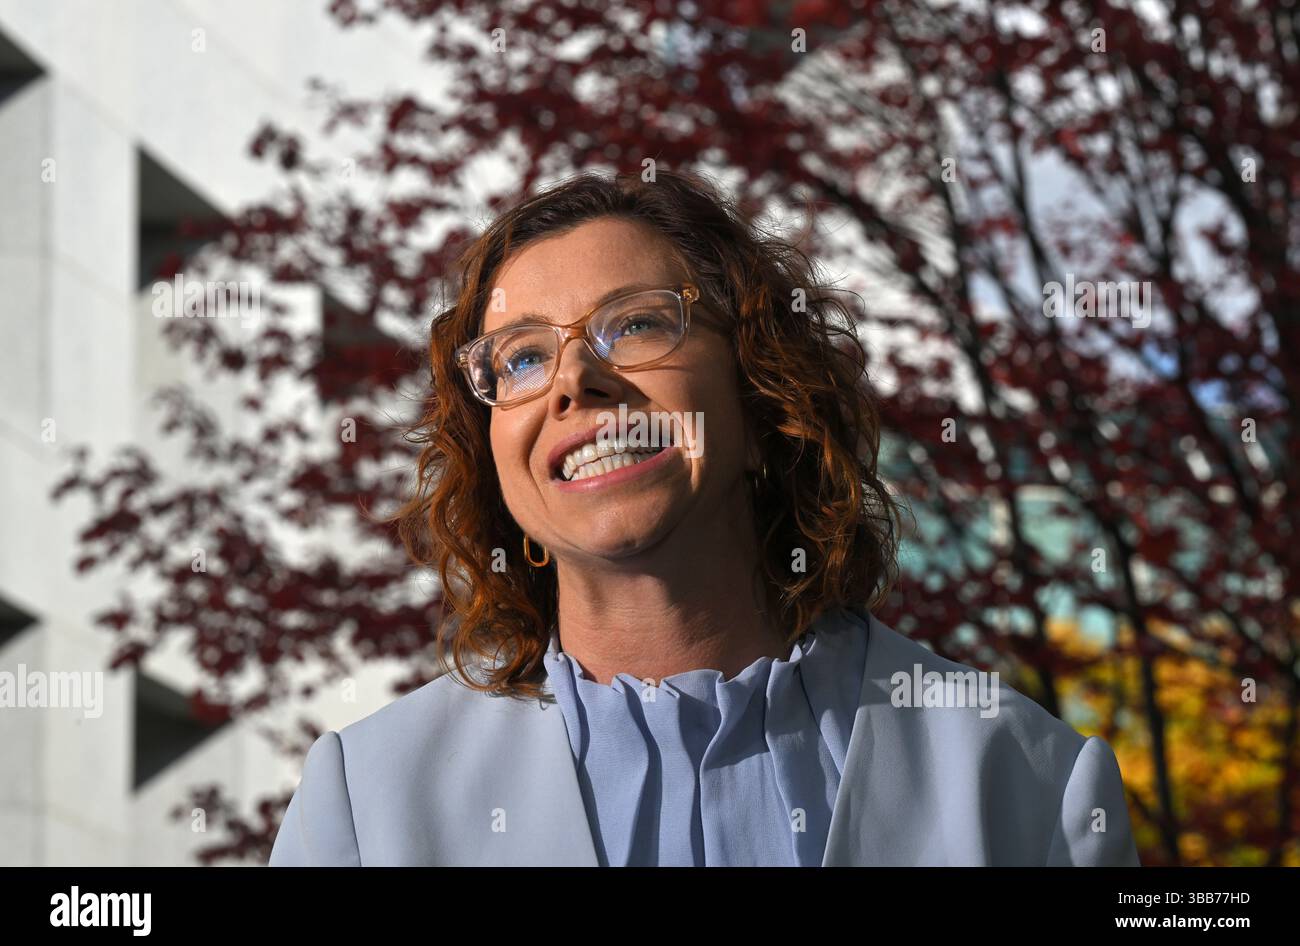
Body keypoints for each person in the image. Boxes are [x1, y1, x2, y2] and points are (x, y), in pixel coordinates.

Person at [268, 170, 1141, 866]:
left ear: (767, 404)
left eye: (638, 323)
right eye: (522, 356)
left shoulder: (1029, 784)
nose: (575, 381)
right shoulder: (365, 805)